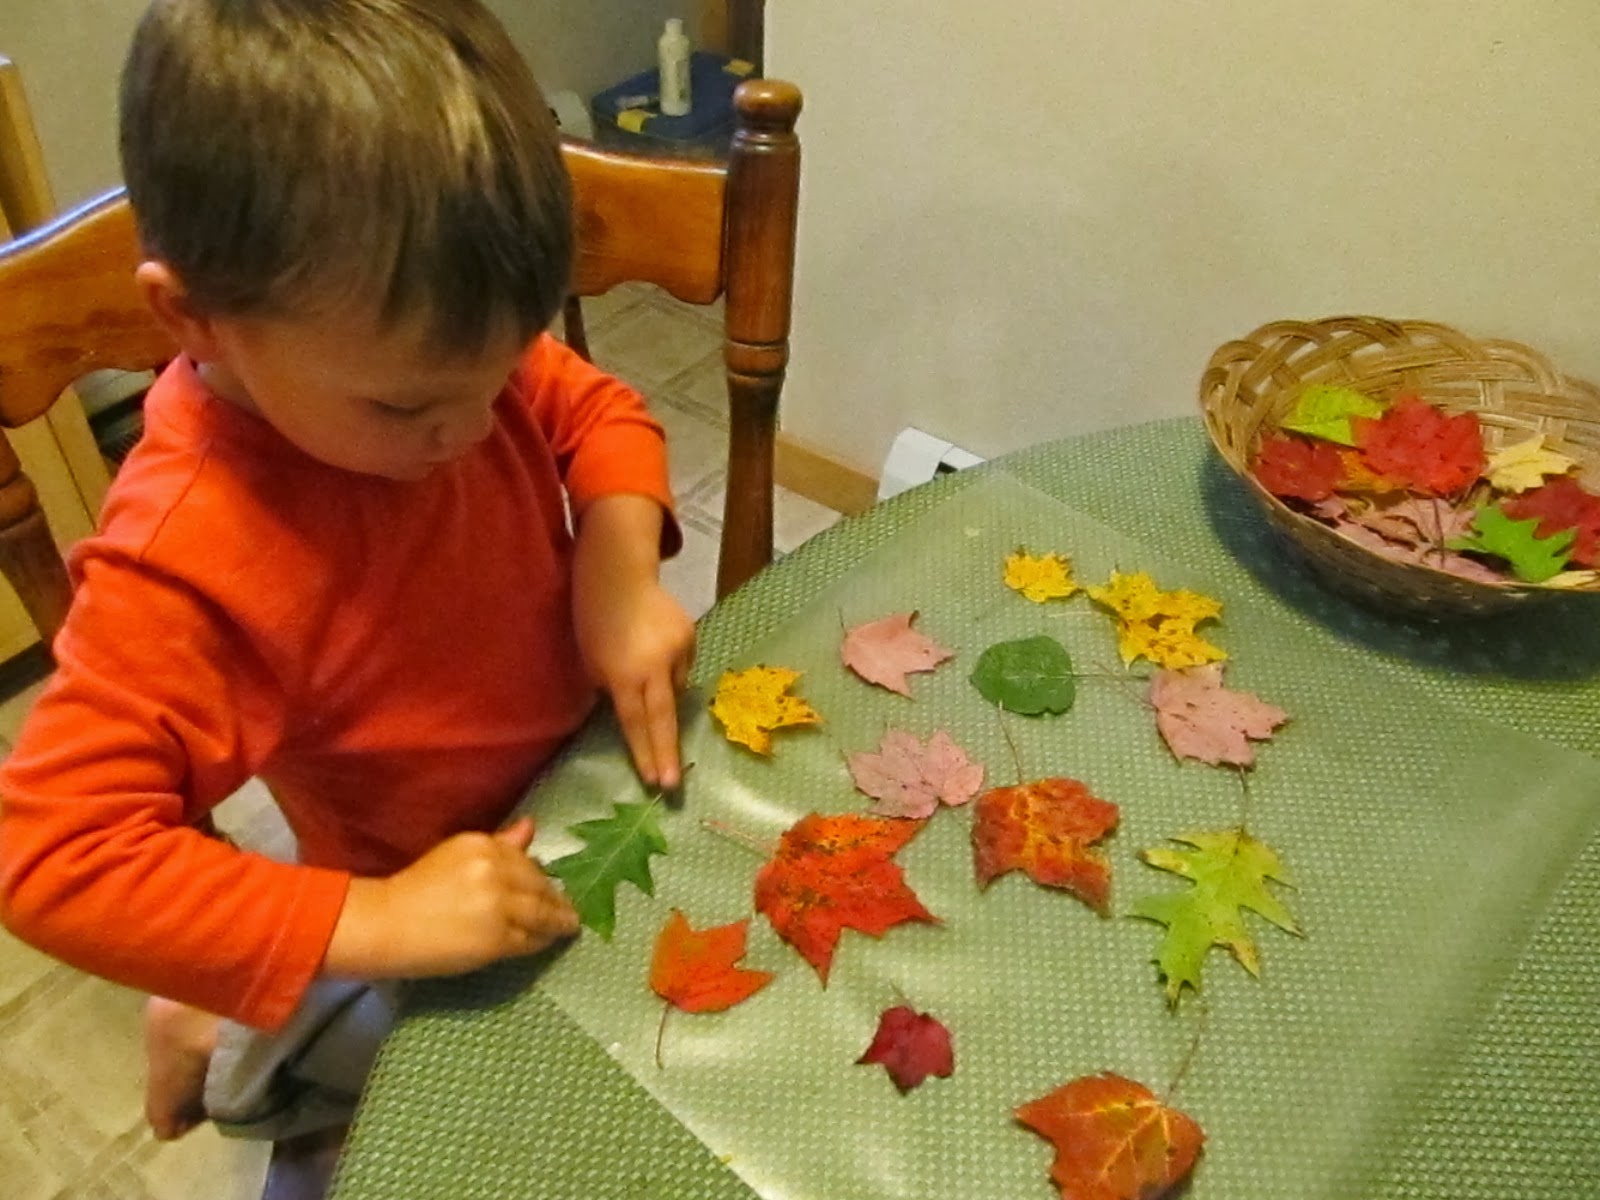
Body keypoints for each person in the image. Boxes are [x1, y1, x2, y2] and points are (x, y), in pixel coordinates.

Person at [0, 0, 696, 1151]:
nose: (476, 427)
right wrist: (377, 919)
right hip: (428, 893)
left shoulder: (421, 351)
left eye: (495, 372)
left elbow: (595, 409)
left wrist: (614, 574)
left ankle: (230, 1006)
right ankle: (218, 1033)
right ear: (196, 319)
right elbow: (50, 856)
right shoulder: (192, 552)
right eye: (410, 405)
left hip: (570, 784)